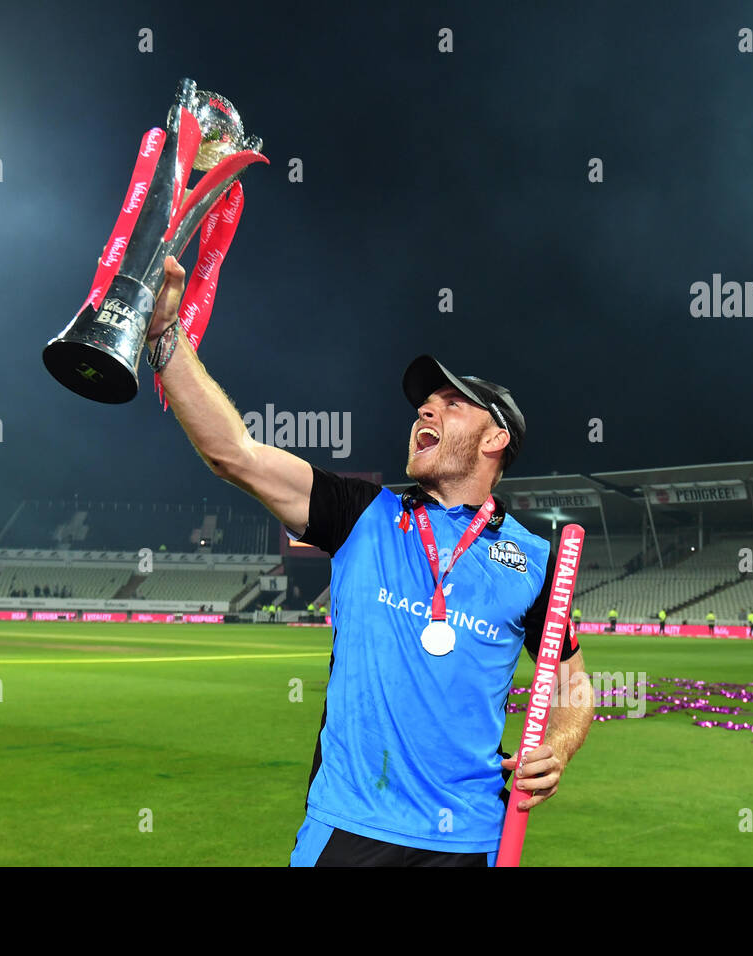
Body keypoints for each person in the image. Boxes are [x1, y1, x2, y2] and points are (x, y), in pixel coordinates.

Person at [139, 254, 594, 867]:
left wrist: (558, 748)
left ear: (496, 439)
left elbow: (573, 682)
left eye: (450, 404)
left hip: (471, 839)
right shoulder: (361, 512)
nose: (424, 411)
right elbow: (235, 453)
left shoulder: (535, 561)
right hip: (351, 827)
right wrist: (166, 338)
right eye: (422, 404)